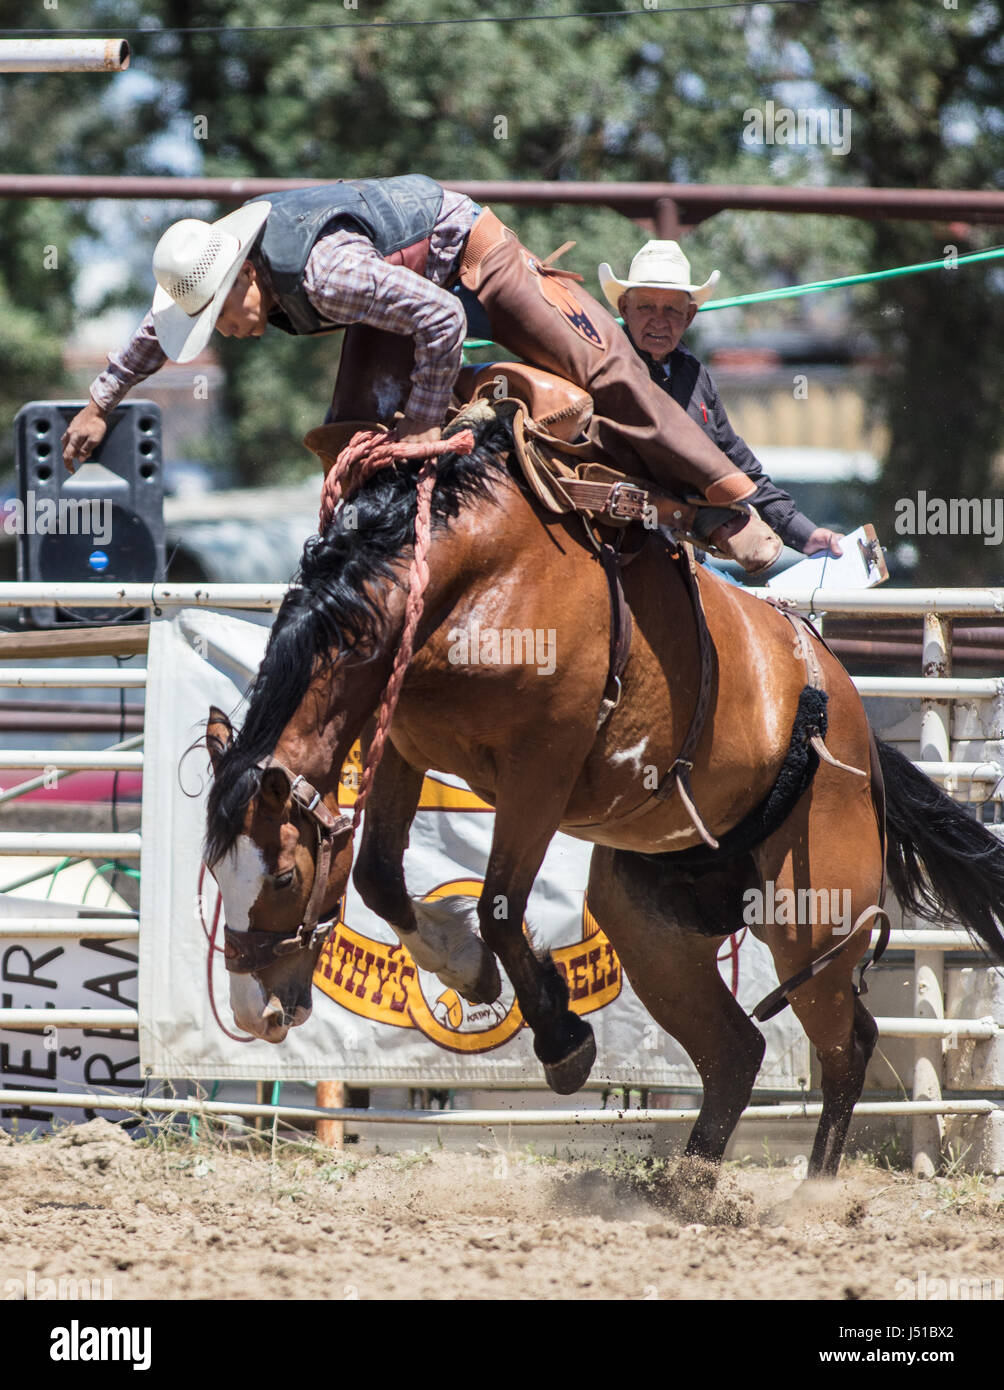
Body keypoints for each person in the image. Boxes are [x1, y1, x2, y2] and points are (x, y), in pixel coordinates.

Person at [61, 176, 784, 570]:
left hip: (469, 254)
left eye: (223, 311)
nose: (227, 329)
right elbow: (160, 326)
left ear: (248, 272)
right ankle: (365, 569)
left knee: (609, 371)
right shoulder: (228, 269)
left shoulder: (327, 275)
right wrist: (101, 400)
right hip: (398, 291)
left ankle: (724, 507)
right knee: (349, 435)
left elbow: (441, 318)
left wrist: (419, 424)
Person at [598, 240, 844, 560]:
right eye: (646, 306)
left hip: (686, 558)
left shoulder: (696, 377)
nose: (659, 320)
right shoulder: (601, 369)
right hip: (613, 552)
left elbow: (739, 469)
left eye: (671, 309)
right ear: (624, 309)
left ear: (689, 317)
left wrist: (806, 534)